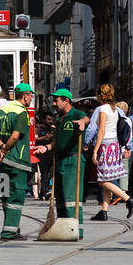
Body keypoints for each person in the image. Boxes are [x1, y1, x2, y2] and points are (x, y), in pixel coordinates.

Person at [0, 83, 35, 240]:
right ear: (24, 95)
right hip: (17, 162)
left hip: (3, 163)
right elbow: (15, 136)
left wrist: (1, 147)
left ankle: (12, 228)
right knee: (16, 196)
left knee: (5, 194)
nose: (31, 98)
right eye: (31, 95)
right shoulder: (22, 113)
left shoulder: (3, 111)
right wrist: (6, 149)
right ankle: (9, 232)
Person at [90, 84, 133, 221]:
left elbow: (101, 131)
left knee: (102, 180)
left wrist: (95, 150)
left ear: (100, 94)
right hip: (114, 145)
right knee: (109, 179)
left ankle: (128, 199)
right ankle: (104, 211)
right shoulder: (115, 109)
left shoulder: (103, 109)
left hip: (105, 146)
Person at [43, 89, 88, 220]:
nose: (54, 104)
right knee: (60, 196)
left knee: (71, 197)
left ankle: (75, 227)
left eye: (56, 101)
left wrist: (82, 122)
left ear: (66, 100)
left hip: (73, 160)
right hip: (59, 160)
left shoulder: (76, 113)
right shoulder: (58, 119)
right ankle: (63, 225)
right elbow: (57, 141)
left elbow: (86, 118)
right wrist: (46, 147)